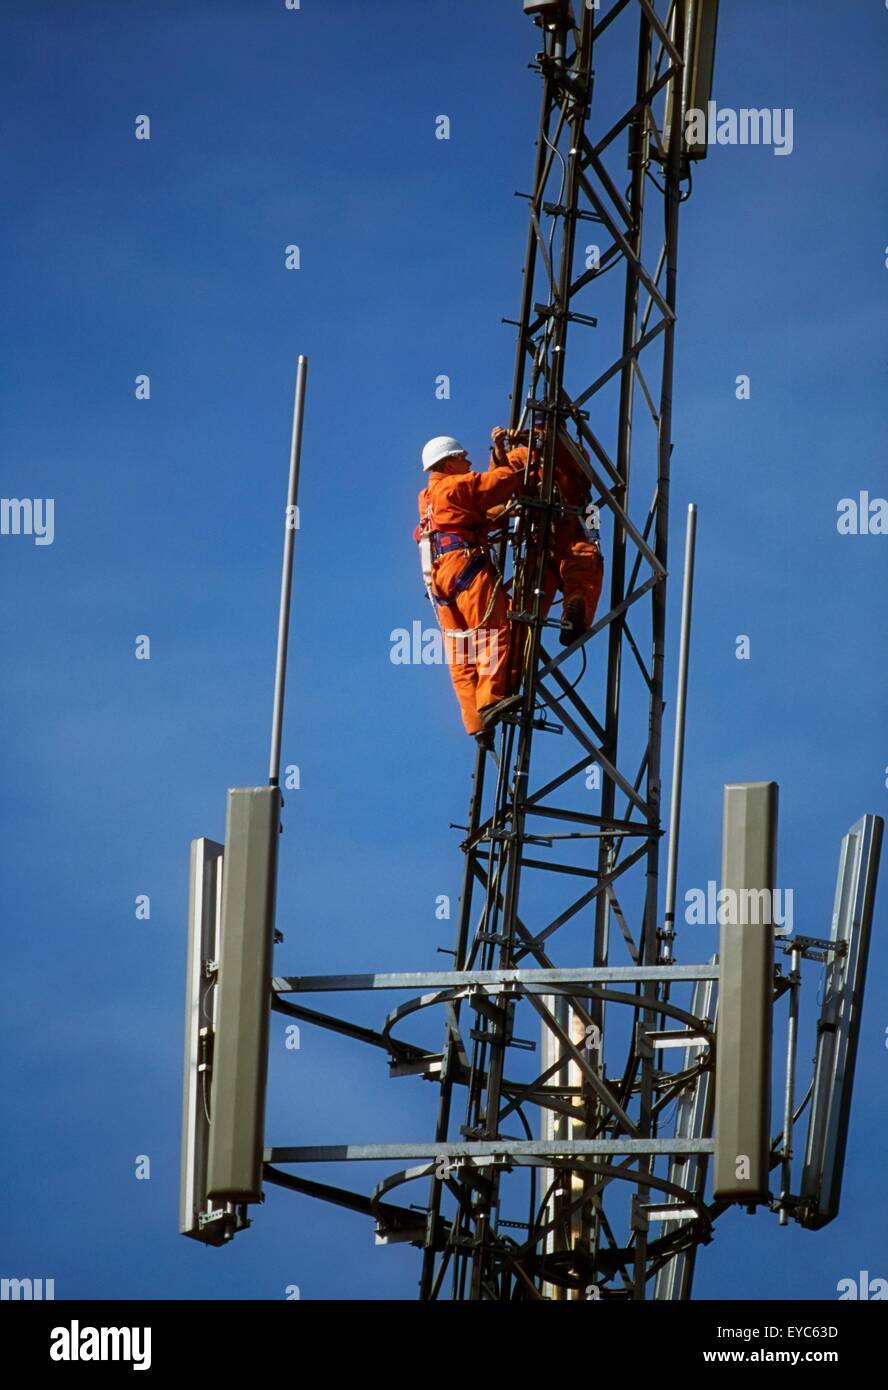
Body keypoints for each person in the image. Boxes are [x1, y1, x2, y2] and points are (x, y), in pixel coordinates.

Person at [414, 430, 525, 741]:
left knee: (461, 655)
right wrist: (514, 458)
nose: (469, 462)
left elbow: (475, 515)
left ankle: (476, 721)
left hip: (440, 583)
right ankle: (490, 700)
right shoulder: (456, 486)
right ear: (448, 464)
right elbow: (501, 482)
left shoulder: (428, 499)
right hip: (465, 569)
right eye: (463, 458)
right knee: (494, 629)